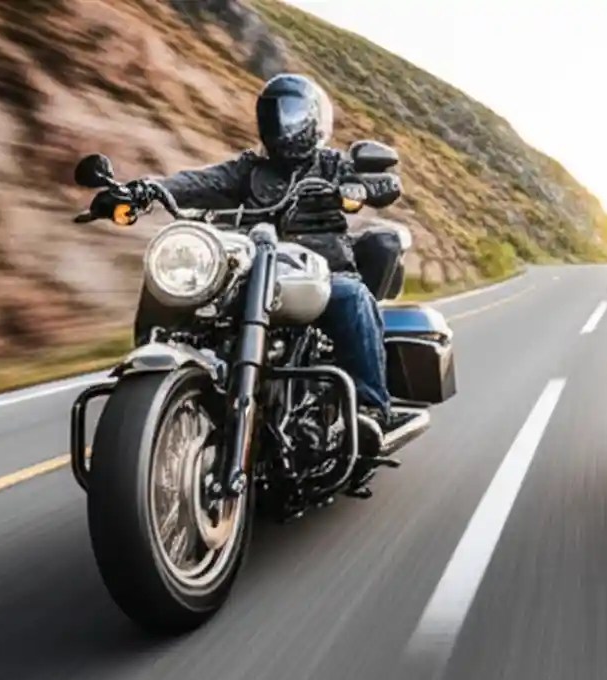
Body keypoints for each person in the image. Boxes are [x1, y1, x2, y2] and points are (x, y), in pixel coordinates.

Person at [90, 73, 406, 455]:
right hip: (256, 270)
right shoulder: (249, 170)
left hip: (322, 271)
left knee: (352, 296)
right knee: (185, 272)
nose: (283, 123)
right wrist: (144, 190)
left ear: (313, 119)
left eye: (291, 113)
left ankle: (372, 409)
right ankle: (159, 367)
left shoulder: (332, 165)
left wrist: (367, 187)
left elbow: (385, 184)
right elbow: (195, 182)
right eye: (274, 113)